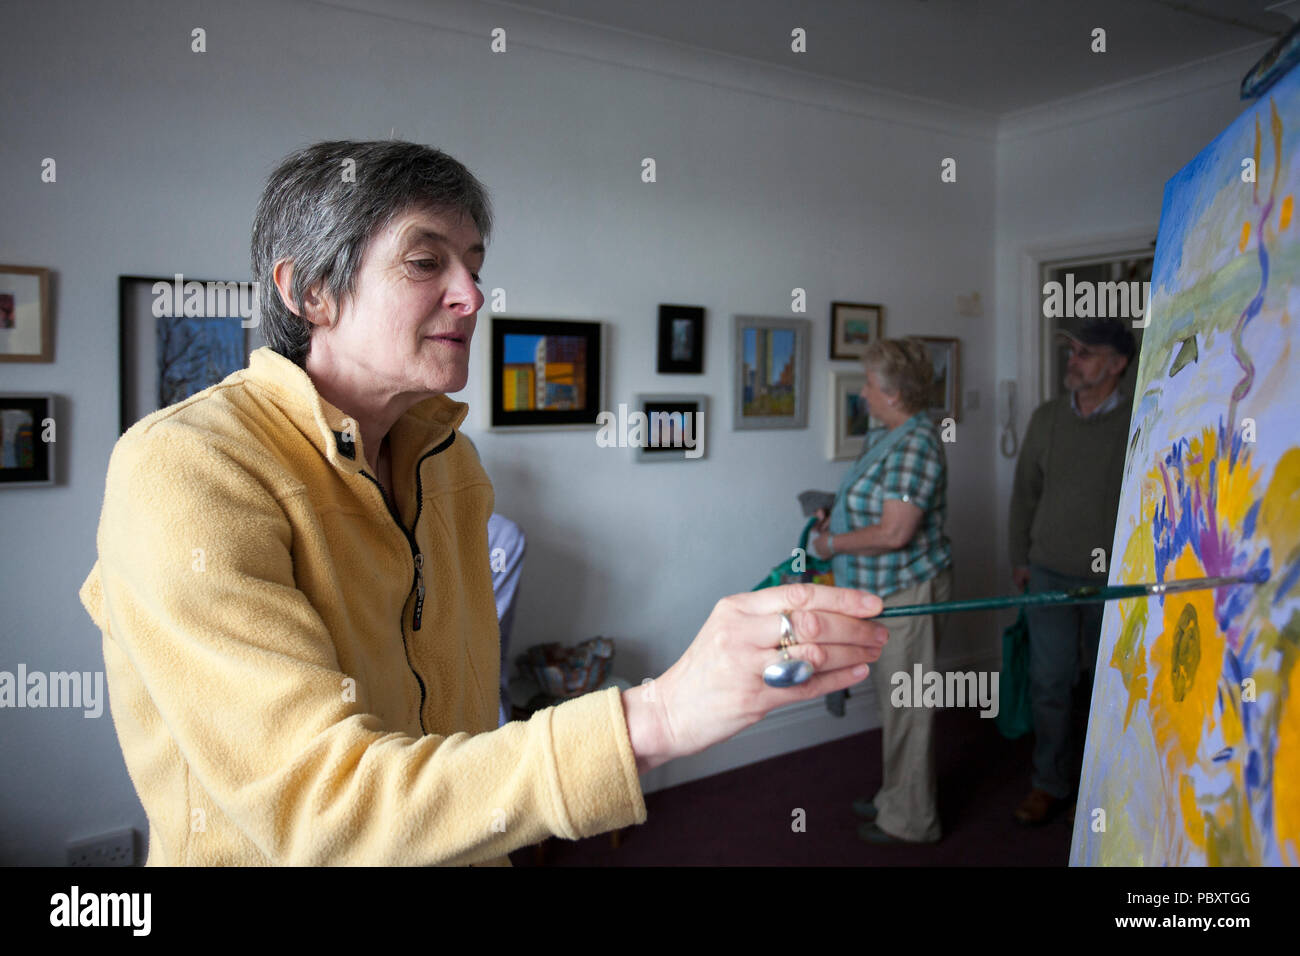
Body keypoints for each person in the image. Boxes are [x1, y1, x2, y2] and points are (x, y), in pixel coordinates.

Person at [77, 140, 890, 866]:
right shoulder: (188, 468)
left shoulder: (450, 463)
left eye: (475, 263)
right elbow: (322, 813)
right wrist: (662, 716)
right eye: (426, 262)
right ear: (312, 290)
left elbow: (462, 725)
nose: (472, 294)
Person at [811, 338, 953, 845]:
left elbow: (896, 532)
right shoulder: (886, 434)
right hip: (881, 595)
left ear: (893, 393)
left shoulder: (916, 444)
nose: (864, 393)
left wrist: (829, 545)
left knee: (908, 710)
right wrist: (836, 512)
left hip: (908, 594)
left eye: (869, 385)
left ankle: (912, 820)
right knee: (894, 704)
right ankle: (896, 795)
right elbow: (873, 506)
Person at [1008, 318, 1135, 825]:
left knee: (1116, 685)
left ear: (1117, 364)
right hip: (1050, 573)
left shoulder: (1139, 417)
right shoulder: (1046, 418)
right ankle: (1050, 781)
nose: (1073, 360)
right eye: (1072, 351)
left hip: (1117, 582)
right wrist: (1019, 556)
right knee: (1050, 681)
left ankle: (1116, 787)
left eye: (1085, 352)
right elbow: (1024, 493)